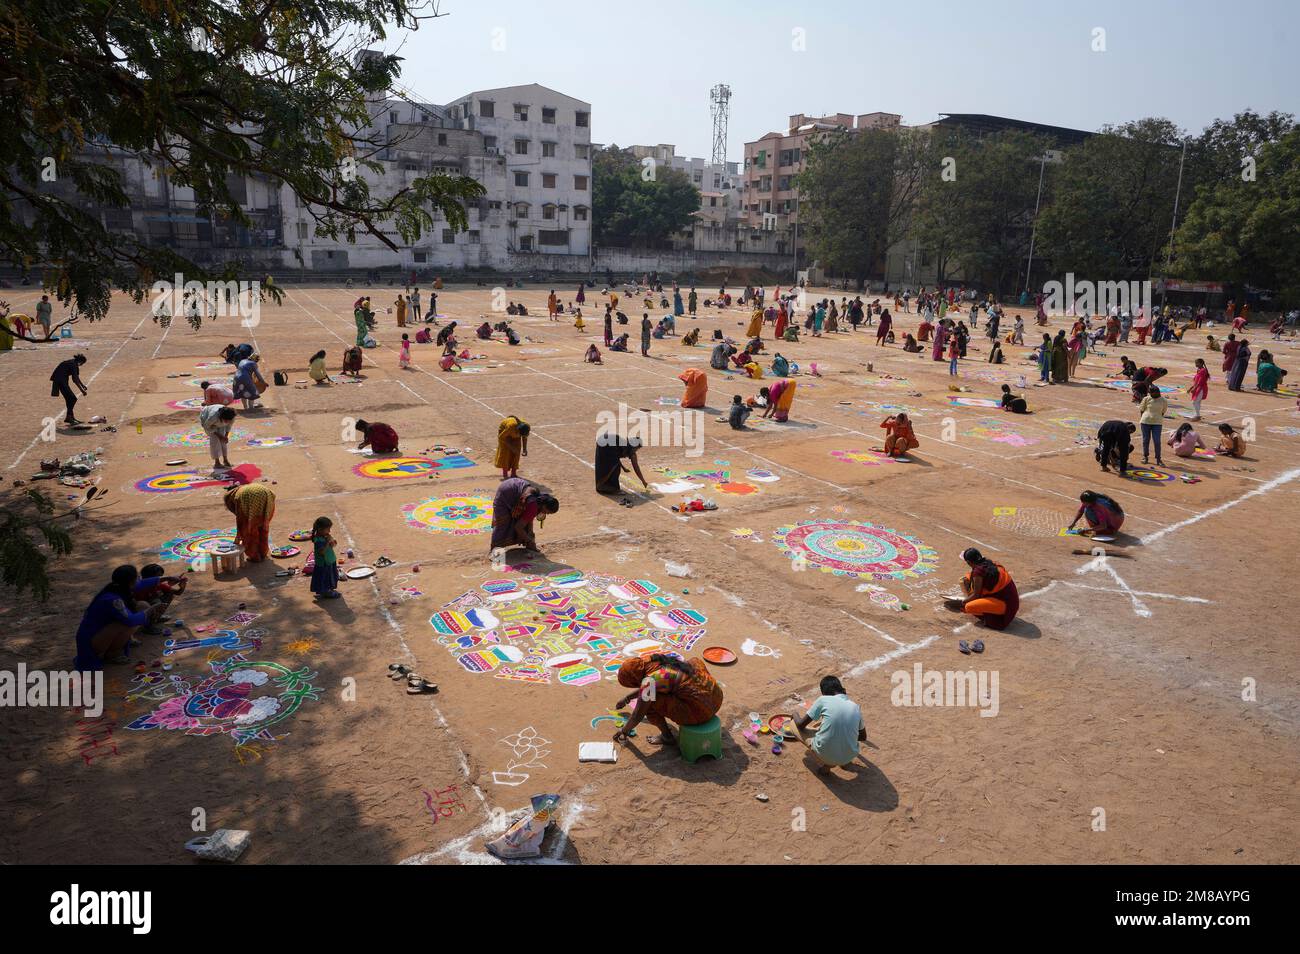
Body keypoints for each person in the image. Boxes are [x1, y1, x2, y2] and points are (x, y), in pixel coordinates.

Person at [612, 654, 724, 747]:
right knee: (693, 662)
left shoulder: (649, 682)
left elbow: (638, 714)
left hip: (701, 713)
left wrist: (624, 731)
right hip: (716, 698)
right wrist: (627, 698)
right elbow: (649, 687)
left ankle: (667, 737)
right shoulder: (656, 662)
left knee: (650, 704)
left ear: (634, 680)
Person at [74, 566, 165, 669]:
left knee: (141, 606)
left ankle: (112, 651)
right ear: (130, 582)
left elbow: (141, 584)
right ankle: (111, 654)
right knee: (126, 623)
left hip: (99, 634)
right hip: (90, 641)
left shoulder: (117, 587)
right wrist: (149, 611)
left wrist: (165, 578)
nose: (139, 578)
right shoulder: (112, 599)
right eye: (137, 577)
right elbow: (130, 621)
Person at [795, 675, 866, 774]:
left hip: (826, 754)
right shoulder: (855, 707)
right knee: (836, 734)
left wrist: (794, 714)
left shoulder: (823, 699)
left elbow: (800, 725)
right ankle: (844, 763)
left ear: (824, 692)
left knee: (794, 726)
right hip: (849, 756)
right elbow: (863, 737)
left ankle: (828, 765)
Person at [943, 548, 1019, 631]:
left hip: (1007, 606)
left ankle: (991, 617)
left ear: (968, 562)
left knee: (969, 607)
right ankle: (982, 604)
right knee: (966, 578)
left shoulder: (978, 572)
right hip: (1009, 599)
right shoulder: (990, 563)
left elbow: (976, 595)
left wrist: (961, 603)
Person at [489, 477, 559, 555]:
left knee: (523, 521)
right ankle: (494, 549)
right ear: (545, 506)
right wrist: (529, 540)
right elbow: (518, 527)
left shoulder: (539, 500)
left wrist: (530, 536)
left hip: (513, 485)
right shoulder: (533, 506)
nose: (547, 514)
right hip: (507, 493)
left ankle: (528, 545)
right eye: (548, 512)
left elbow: (529, 520)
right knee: (503, 522)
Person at [223, 483, 276, 562]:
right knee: (262, 527)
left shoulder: (236, 495)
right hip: (267, 495)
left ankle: (254, 556)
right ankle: (263, 552)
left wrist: (240, 533)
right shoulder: (243, 489)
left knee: (249, 530)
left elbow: (240, 519)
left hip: (249, 497)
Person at [133, 563, 189, 630]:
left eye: (161, 576)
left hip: (147, 608)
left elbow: (177, 592)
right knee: (153, 602)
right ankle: (148, 626)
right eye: (158, 577)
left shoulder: (159, 585)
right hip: (136, 612)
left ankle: (156, 618)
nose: (160, 579)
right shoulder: (139, 586)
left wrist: (182, 587)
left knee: (168, 595)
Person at [50, 354, 89, 424]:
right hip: (60, 381)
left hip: (60, 380)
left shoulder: (72, 362)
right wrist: (82, 390)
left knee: (69, 399)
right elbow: (75, 379)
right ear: (80, 361)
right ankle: (69, 417)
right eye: (82, 364)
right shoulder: (74, 365)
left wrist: (82, 385)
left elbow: (76, 377)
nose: (81, 365)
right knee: (73, 398)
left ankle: (70, 417)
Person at [309, 516, 341, 599]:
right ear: (320, 529)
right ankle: (327, 592)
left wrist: (333, 542)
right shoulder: (318, 540)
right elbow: (322, 552)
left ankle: (328, 590)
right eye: (328, 529)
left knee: (330, 576)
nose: (329, 531)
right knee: (325, 578)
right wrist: (327, 542)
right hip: (324, 563)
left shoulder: (325, 536)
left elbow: (332, 546)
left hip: (330, 560)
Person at [1138, 383, 1168, 466]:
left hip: (1157, 423)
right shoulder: (1146, 399)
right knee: (1145, 440)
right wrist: (1144, 418)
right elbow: (1141, 409)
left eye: (1156, 393)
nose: (1154, 394)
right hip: (1145, 422)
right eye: (1152, 393)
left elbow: (1163, 411)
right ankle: (1145, 456)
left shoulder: (1164, 400)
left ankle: (1158, 458)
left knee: (1157, 441)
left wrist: (1156, 417)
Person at [199, 404, 236, 470]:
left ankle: (225, 460)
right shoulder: (212, 417)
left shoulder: (231, 416)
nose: (227, 422)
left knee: (223, 441)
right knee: (214, 441)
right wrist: (219, 435)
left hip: (219, 421)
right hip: (207, 420)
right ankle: (217, 462)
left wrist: (225, 436)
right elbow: (207, 426)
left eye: (228, 421)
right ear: (221, 417)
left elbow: (229, 426)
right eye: (226, 420)